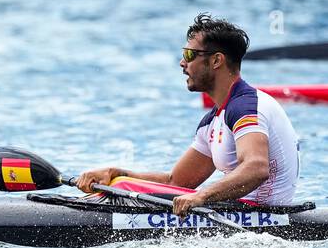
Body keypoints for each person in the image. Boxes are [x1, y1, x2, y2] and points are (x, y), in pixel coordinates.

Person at [76, 13, 300, 213]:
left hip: (263, 212)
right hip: (238, 208)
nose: (183, 62)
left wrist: (201, 196)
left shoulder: (245, 108)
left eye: (190, 54)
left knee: (123, 188)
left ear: (216, 61)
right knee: (119, 182)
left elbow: (257, 167)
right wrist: (115, 172)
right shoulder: (212, 121)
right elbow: (175, 182)